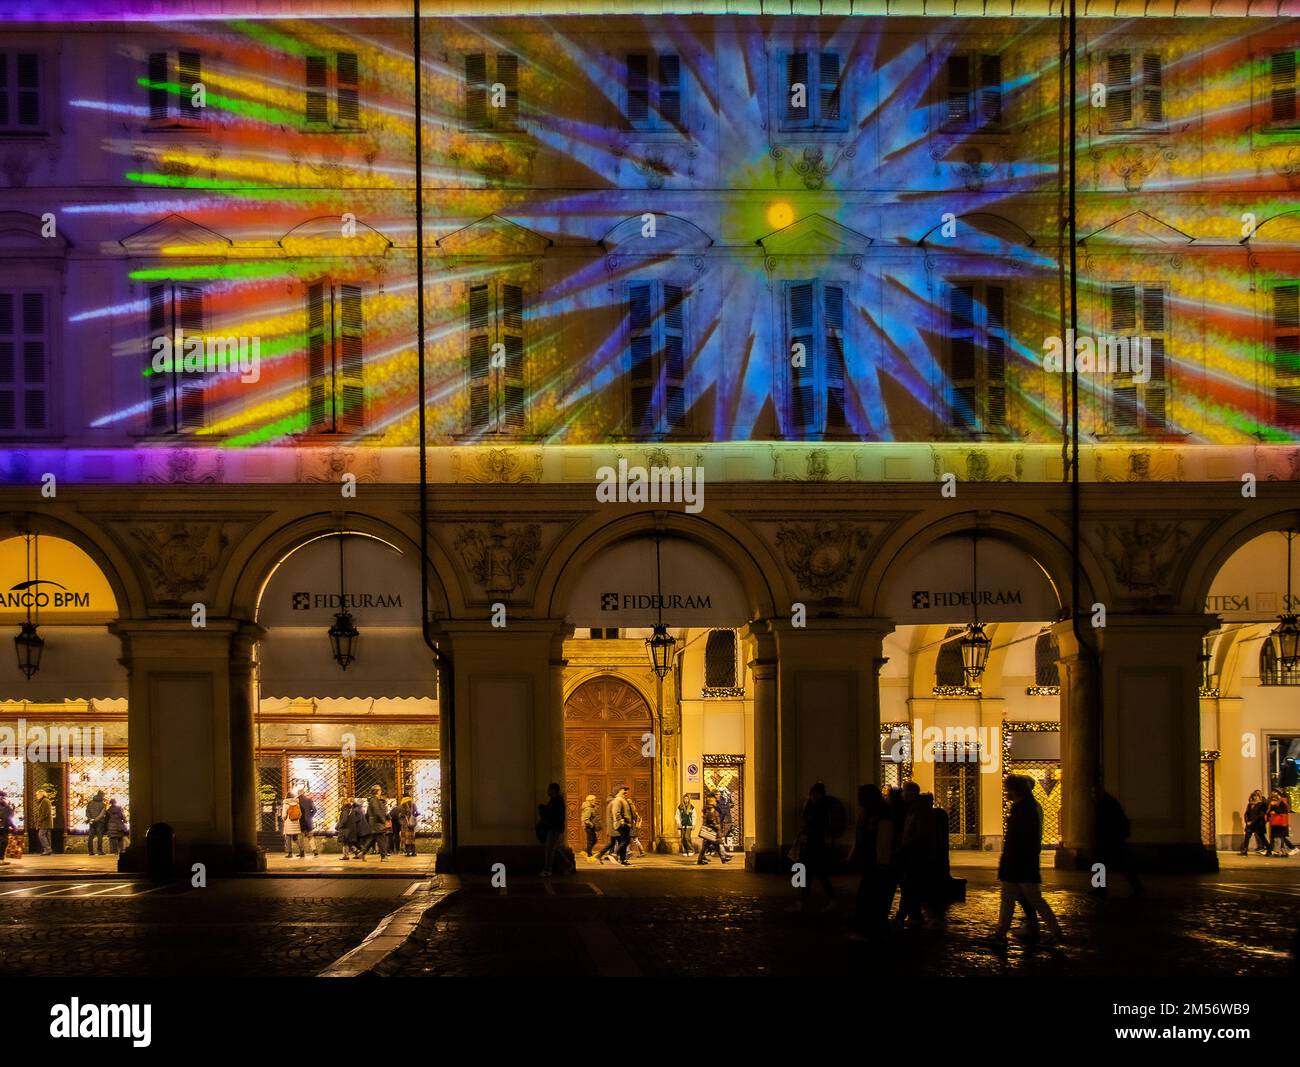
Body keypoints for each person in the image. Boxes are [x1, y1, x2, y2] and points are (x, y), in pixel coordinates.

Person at [993, 775, 1064, 945]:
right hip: (1020, 863)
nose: (1006, 793)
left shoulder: (1024, 809)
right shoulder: (1026, 807)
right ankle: (1001, 933)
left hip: (1020, 864)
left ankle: (1055, 932)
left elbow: (1020, 840)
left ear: (1015, 791)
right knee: (1013, 898)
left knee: (1030, 898)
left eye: (1007, 789)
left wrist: (1010, 861)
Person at [848, 784, 890, 941]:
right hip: (870, 859)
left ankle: (869, 929)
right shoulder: (868, 813)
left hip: (875, 861)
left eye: (860, 796)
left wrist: (882, 861)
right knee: (871, 895)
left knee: (869, 895)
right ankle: (875, 928)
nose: (858, 800)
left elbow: (883, 840)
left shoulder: (881, 814)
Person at [1093, 787, 1144, 895]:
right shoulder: (1108, 803)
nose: (1092, 795)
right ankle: (1100, 888)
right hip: (1111, 840)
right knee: (1103, 864)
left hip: (1110, 840)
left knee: (1116, 864)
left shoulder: (1106, 804)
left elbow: (1107, 823)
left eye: (1094, 792)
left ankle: (1101, 889)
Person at [897, 786, 935, 927]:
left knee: (909, 885)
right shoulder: (913, 808)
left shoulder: (918, 810)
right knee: (911, 885)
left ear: (913, 793)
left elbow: (920, 833)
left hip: (915, 853)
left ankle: (901, 916)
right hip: (914, 852)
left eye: (906, 791)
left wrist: (906, 844)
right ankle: (915, 915)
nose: (904, 794)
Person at [796, 782, 833, 906]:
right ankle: (803, 899)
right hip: (813, 845)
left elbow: (815, 825)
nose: (813, 797)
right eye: (812, 795)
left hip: (815, 845)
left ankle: (804, 900)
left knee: (815, 873)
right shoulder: (813, 807)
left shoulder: (820, 809)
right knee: (812, 873)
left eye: (816, 795)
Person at [538, 782, 566, 876]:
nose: (547, 791)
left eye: (549, 789)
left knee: (550, 848)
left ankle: (548, 870)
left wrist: (545, 811)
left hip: (555, 827)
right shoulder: (553, 800)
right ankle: (568, 865)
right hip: (552, 827)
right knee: (554, 848)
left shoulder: (557, 801)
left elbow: (555, 815)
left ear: (553, 790)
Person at [696, 795, 730, 864]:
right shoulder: (711, 810)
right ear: (712, 802)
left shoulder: (708, 810)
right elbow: (712, 820)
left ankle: (723, 858)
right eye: (715, 801)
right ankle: (723, 858)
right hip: (712, 832)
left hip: (711, 832)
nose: (716, 802)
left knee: (713, 845)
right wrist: (717, 827)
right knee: (714, 844)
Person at [608, 785, 634, 865]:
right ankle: (614, 854)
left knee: (623, 841)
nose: (626, 792)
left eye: (627, 790)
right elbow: (616, 812)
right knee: (626, 841)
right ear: (619, 791)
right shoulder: (618, 800)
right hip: (622, 824)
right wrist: (620, 821)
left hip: (626, 823)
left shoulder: (623, 799)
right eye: (624, 790)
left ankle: (623, 860)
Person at [1241, 789, 1270, 855]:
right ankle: (1245, 850)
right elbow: (1246, 814)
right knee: (1247, 836)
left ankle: (1269, 849)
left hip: (1258, 824)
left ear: (1259, 797)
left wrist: (1252, 822)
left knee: (1262, 837)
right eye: (1254, 796)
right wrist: (1247, 821)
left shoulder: (1262, 804)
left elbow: (1260, 815)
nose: (1255, 797)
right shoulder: (1250, 804)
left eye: (1256, 796)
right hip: (1249, 824)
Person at [366, 786, 390, 860]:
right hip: (377, 823)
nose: (381, 791)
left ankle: (363, 852)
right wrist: (383, 820)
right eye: (380, 790)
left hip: (374, 823)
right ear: (377, 791)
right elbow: (377, 812)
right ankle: (383, 856)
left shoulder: (373, 800)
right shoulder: (374, 800)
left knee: (373, 839)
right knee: (382, 839)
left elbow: (368, 813)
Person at [596, 789, 620, 863]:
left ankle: (601, 855)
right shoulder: (614, 802)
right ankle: (617, 856)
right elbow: (615, 815)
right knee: (623, 842)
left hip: (612, 826)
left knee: (612, 842)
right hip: (615, 826)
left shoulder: (611, 802)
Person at [297, 786, 318, 858]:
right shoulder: (309, 799)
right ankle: (314, 850)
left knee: (300, 836)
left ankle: (302, 851)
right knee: (310, 837)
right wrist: (310, 816)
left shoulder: (296, 800)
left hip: (299, 821)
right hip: (308, 821)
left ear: (298, 793)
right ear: (304, 792)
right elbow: (315, 810)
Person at [281, 792, 303, 858]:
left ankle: (290, 853)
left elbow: (284, 815)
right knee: (295, 838)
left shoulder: (286, 804)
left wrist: (284, 819)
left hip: (289, 823)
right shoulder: (297, 804)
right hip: (296, 824)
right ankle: (302, 851)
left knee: (288, 838)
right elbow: (300, 814)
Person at [85, 791, 106, 857]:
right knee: (99, 837)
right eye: (103, 795)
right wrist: (96, 819)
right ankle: (99, 851)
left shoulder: (90, 803)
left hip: (91, 822)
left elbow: (87, 811)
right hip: (99, 822)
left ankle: (90, 851)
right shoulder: (103, 804)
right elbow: (102, 814)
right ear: (102, 795)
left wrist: (90, 819)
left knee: (91, 836)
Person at [33, 788, 52, 855]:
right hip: (46, 822)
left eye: (37, 794)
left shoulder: (45, 801)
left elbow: (45, 813)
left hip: (45, 822)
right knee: (46, 836)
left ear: (41, 794)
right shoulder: (44, 801)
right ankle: (48, 850)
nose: (37, 796)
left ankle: (47, 849)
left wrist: (39, 820)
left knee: (41, 835)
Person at [0, 791, 14, 864]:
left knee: (4, 842)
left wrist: (12, 826)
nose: (3, 798)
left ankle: (1, 859)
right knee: (3, 842)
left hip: (4, 826)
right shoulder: (5, 806)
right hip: (3, 827)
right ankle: (1, 859)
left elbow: (9, 816)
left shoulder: (6, 806)